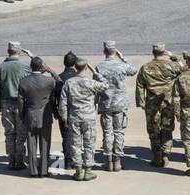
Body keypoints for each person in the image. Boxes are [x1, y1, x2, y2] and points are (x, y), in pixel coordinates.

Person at [59, 53, 109, 181]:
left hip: (74, 117)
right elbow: (105, 85)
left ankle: (78, 171)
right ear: (86, 67)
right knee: (89, 144)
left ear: (75, 67)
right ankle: (88, 170)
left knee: (75, 144)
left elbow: (63, 103)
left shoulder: (69, 83)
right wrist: (96, 73)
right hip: (89, 118)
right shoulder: (91, 82)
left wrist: (64, 118)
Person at [94, 41, 137, 172]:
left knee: (108, 132)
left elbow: (95, 87)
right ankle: (117, 161)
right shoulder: (121, 65)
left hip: (106, 104)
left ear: (104, 52)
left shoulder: (99, 67)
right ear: (115, 51)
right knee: (118, 131)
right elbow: (133, 70)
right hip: (119, 104)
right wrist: (123, 57)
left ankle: (108, 161)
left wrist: (95, 104)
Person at [0, 42, 32, 170]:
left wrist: (0, 105)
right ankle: (20, 160)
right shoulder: (25, 67)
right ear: (19, 51)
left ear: (8, 51)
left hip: (6, 103)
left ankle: (11, 160)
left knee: (9, 133)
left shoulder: (0, 68)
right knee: (21, 133)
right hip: (21, 104)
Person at [17, 55, 57, 178]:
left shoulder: (23, 81)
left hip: (30, 115)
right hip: (45, 116)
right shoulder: (50, 81)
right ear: (42, 67)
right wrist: (52, 72)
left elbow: (21, 102)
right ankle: (44, 170)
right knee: (45, 144)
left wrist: (23, 116)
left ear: (30, 67)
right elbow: (60, 83)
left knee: (31, 144)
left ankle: (33, 171)